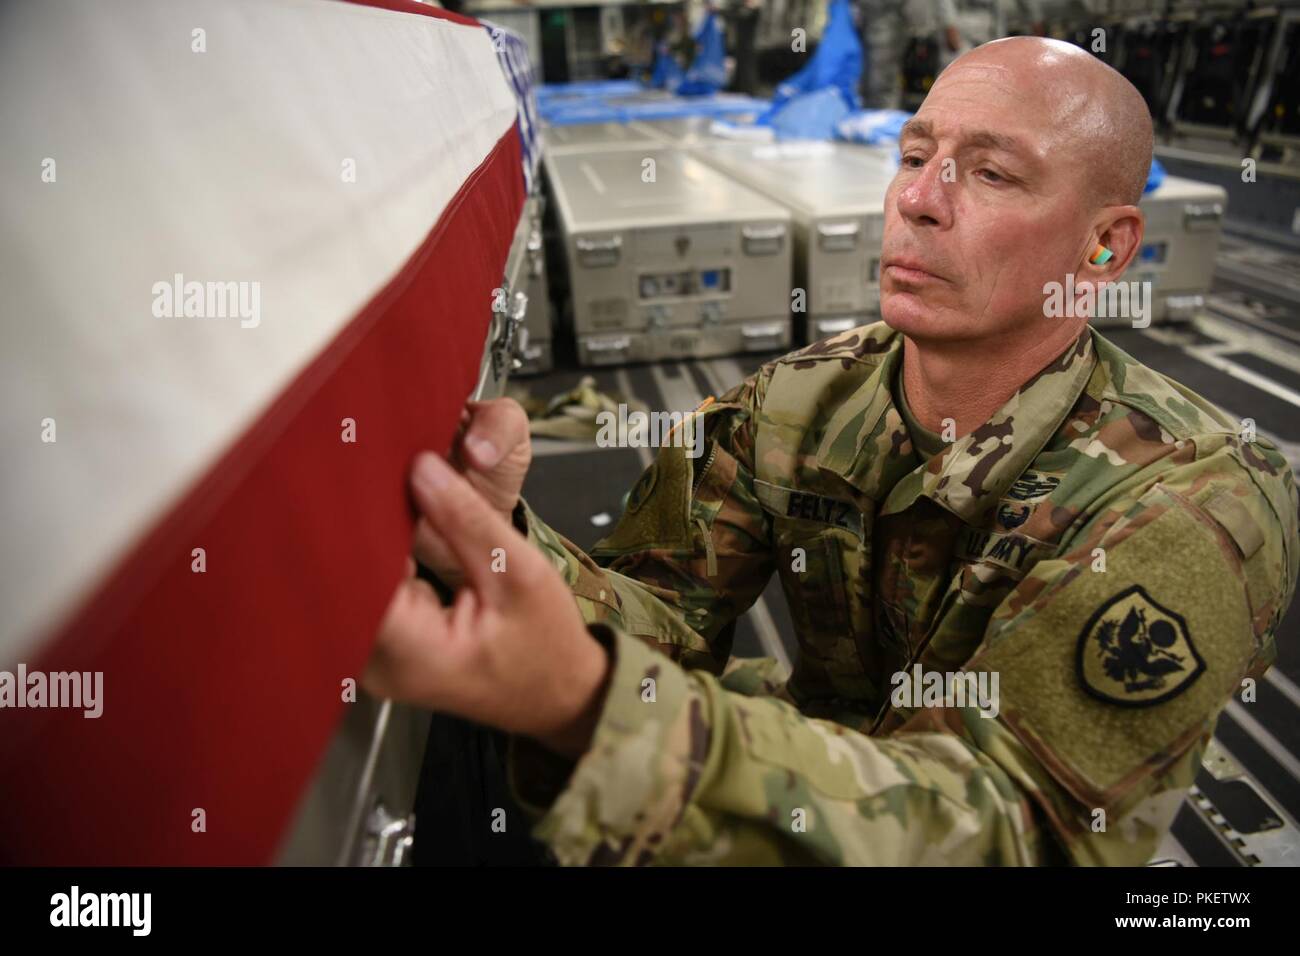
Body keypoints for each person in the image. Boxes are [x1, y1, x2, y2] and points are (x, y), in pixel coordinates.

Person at [364, 37, 1299, 865]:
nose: (919, 203)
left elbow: (1016, 833)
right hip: (827, 763)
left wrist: (589, 704)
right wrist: (497, 543)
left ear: (1104, 248)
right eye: (915, 155)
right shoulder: (805, 398)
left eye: (991, 174)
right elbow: (667, 614)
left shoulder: (1189, 501)